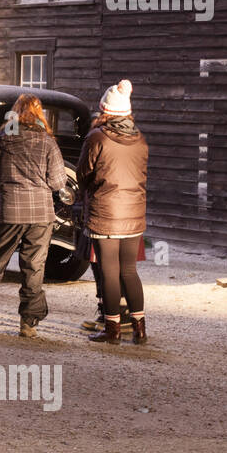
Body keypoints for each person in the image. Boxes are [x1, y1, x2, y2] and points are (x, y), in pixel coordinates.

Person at [0, 93, 67, 339]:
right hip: (40, 213)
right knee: (34, 267)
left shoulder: (2, 139)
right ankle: (28, 323)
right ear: (39, 114)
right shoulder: (48, 143)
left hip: (9, 209)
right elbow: (58, 181)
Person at [79, 80, 149, 345]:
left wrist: (85, 193)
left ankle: (112, 330)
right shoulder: (140, 140)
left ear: (104, 111)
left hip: (105, 214)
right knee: (129, 270)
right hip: (134, 213)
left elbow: (84, 172)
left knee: (109, 271)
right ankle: (140, 330)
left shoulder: (97, 138)